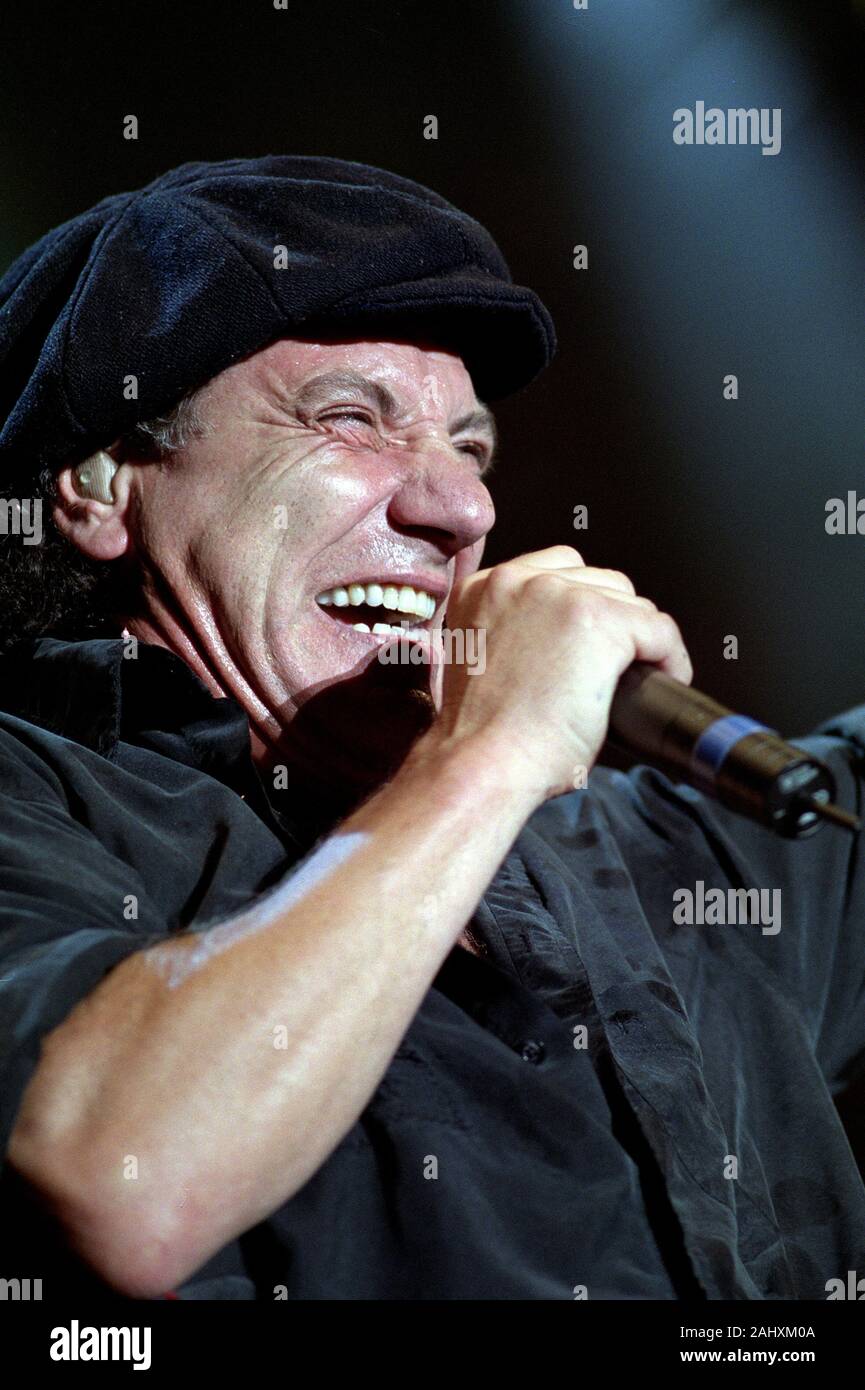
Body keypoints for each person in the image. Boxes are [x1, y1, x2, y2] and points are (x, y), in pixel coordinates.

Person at [0, 156, 863, 1302]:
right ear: (103, 485)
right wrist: (489, 755)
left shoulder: (679, 855)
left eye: (469, 446)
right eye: (351, 417)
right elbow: (123, 1182)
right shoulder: (34, 806)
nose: (462, 509)